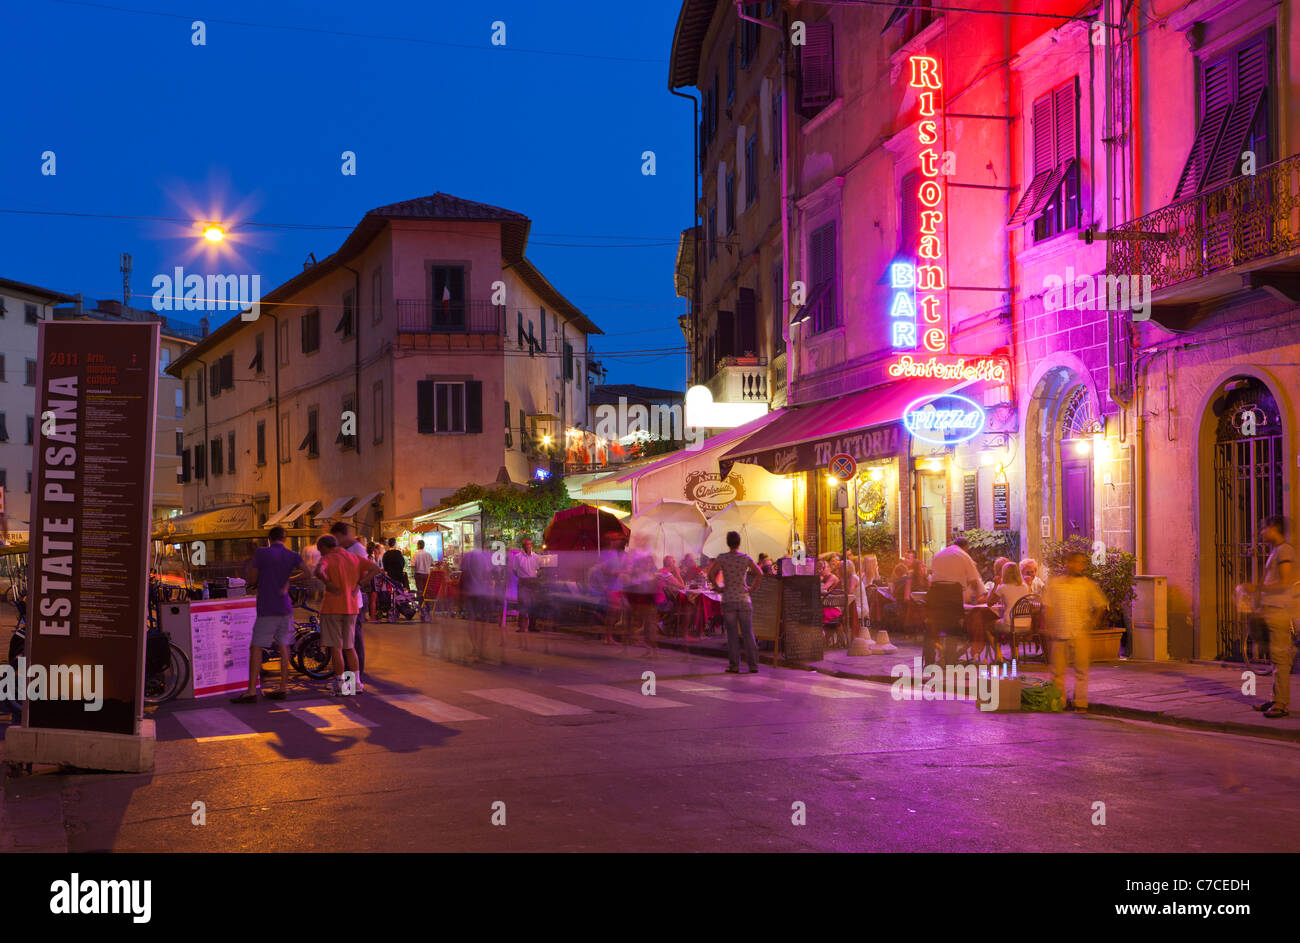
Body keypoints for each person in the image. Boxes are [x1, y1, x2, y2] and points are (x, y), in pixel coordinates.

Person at [233, 526, 304, 704]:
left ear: (269, 539)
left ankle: (251, 691)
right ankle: (282, 688)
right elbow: (310, 572)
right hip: (285, 607)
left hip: (267, 608)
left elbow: (252, 579)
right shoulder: (292, 555)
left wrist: (255, 581)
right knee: (283, 646)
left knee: (256, 646)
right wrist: (289, 580)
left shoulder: (262, 553)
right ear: (284, 539)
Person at [314, 534, 381, 696]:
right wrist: (359, 584)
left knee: (336, 648)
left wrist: (328, 582)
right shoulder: (353, 557)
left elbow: (318, 570)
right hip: (351, 608)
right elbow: (375, 569)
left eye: (320, 550)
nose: (320, 553)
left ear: (325, 547)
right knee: (350, 647)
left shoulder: (328, 558)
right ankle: (355, 683)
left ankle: (341, 684)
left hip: (332, 608)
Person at [1042, 550, 1108, 711]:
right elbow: (1048, 606)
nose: (1080, 566)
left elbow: (1101, 604)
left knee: (1081, 669)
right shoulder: (1055, 584)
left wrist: (1093, 622)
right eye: (1077, 562)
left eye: (1082, 563)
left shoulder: (1088, 584)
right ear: (1068, 563)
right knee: (1057, 670)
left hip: (1079, 631)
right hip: (1060, 630)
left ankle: (1080, 702)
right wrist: (1049, 626)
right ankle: (1060, 700)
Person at [1247, 515, 1294, 718]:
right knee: (1276, 658)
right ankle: (1276, 699)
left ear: (1274, 528)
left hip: (1281, 612)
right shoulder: (1277, 551)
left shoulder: (1285, 551)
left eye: (1263, 528)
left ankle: (1281, 704)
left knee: (1281, 657)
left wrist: (1257, 587)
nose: (1261, 533)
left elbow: (1284, 583)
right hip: (1273, 611)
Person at [707, 530, 764, 674]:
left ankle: (734, 666)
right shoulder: (745, 558)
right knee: (748, 633)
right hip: (744, 599)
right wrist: (751, 588)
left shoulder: (722, 558)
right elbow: (760, 573)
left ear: (728, 543)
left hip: (729, 599)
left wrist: (718, 587)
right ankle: (753, 665)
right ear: (739, 543)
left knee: (732, 635)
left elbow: (710, 573)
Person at [331, 521, 372, 684]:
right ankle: (350, 678)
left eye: (336, 537)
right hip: (344, 602)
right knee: (347, 643)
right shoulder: (345, 549)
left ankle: (355, 678)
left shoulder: (357, 549)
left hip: (353, 603)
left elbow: (368, 571)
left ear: (341, 535)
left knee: (353, 642)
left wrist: (357, 586)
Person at [929, 536, 984, 602]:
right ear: (966, 547)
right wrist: (978, 598)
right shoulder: (964, 556)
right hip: (955, 599)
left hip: (936, 597)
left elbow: (932, 575)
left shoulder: (937, 555)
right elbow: (974, 581)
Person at [510, 536, 543, 632]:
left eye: (529, 544)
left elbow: (539, 569)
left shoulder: (536, 557)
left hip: (533, 582)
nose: (527, 546)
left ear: (531, 545)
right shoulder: (518, 557)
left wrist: (536, 577)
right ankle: (522, 627)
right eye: (525, 545)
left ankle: (532, 626)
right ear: (523, 546)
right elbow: (515, 570)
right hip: (523, 582)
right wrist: (522, 577)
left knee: (534, 604)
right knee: (523, 604)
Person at [411, 539, 435, 621]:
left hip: (418, 574)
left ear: (418, 545)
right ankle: (427, 607)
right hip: (427, 574)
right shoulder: (428, 554)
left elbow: (413, 565)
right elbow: (432, 563)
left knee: (420, 591)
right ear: (424, 545)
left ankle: (421, 607)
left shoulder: (416, 554)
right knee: (426, 591)